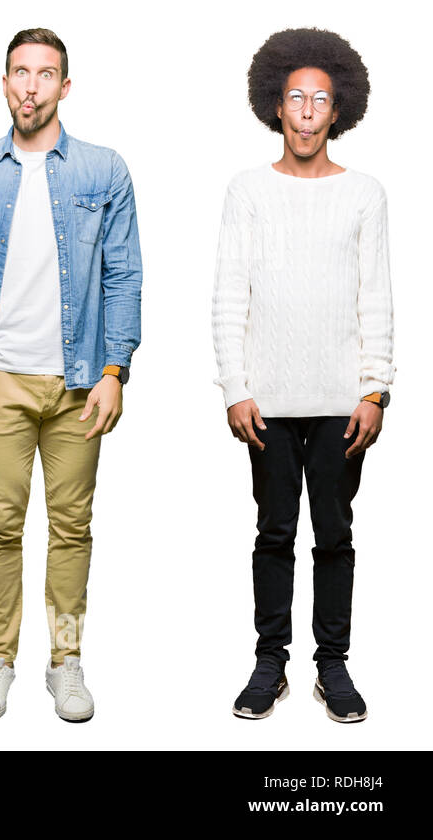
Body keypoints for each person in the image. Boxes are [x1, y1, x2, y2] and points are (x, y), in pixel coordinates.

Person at [0, 28, 142, 723]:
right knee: (0, 524)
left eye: (44, 74)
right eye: (19, 72)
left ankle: (66, 661)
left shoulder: (103, 171)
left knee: (72, 527)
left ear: (65, 87)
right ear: (3, 83)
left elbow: (123, 274)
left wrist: (115, 369)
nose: (30, 86)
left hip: (80, 380)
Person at [215, 28, 391, 724]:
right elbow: (230, 293)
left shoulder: (366, 194)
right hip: (269, 402)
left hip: (343, 402)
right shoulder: (247, 190)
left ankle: (334, 665)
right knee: (273, 534)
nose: (309, 110)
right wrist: (236, 388)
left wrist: (375, 389)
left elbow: (375, 295)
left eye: (321, 98)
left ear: (338, 107)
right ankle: (269, 662)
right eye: (297, 98)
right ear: (277, 106)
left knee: (336, 537)